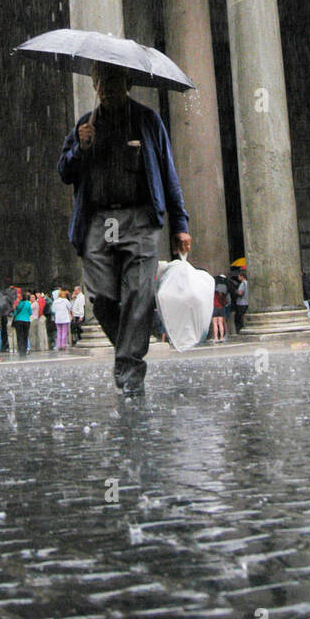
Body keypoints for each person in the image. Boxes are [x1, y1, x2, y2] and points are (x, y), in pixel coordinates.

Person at [57, 62, 191, 398]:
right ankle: (127, 354)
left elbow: (168, 172)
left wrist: (180, 223)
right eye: (101, 81)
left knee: (138, 295)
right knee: (101, 299)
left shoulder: (148, 121)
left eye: (114, 80)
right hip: (99, 221)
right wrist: (80, 148)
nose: (108, 87)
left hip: (139, 220)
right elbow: (64, 172)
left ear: (128, 82)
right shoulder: (84, 125)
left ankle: (130, 370)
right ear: (94, 85)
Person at [11, 289, 32, 356]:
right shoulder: (28, 303)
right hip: (27, 321)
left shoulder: (17, 304)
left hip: (18, 320)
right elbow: (30, 313)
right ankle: (25, 350)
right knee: (25, 336)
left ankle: (20, 350)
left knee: (19, 336)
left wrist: (14, 308)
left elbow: (15, 313)